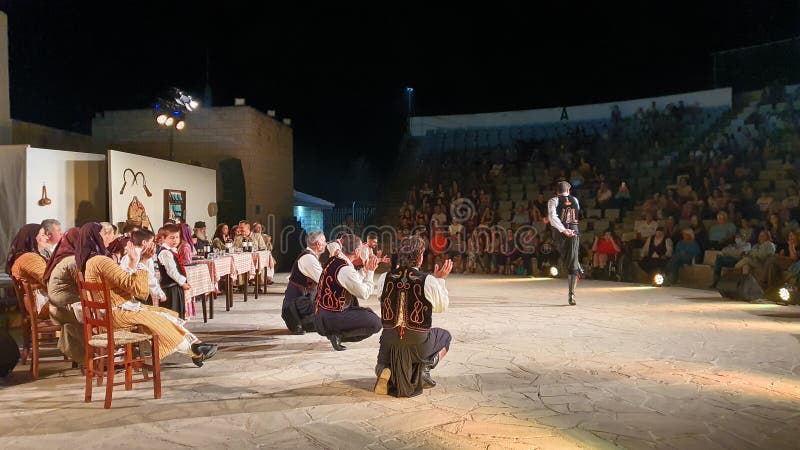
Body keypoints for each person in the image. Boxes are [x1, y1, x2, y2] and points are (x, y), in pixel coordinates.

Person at [77, 222, 218, 367]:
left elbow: (123, 281)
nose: (112, 237)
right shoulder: (100, 261)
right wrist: (142, 261)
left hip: (112, 311)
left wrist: (132, 261)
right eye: (107, 234)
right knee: (157, 319)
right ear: (97, 237)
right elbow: (133, 286)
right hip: (116, 313)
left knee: (162, 314)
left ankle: (197, 346)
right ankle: (194, 350)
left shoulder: (91, 260)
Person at [373, 236, 452, 397]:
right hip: (417, 342)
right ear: (420, 257)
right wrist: (440, 281)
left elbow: (382, 299)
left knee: (384, 359)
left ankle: (385, 369)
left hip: (389, 340)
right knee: (445, 336)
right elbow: (441, 307)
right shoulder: (428, 280)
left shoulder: (384, 278)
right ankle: (424, 369)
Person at [313, 234, 382, 351]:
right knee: (375, 323)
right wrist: (370, 272)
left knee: (366, 312)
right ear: (356, 251)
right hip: (330, 318)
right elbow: (364, 293)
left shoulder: (334, 259)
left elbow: (352, 280)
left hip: (320, 314)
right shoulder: (345, 269)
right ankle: (338, 335)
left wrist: (364, 271)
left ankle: (337, 333)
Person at [43, 227, 84, 363]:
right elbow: (85, 286)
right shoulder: (71, 260)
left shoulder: (61, 256)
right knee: (102, 314)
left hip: (56, 308)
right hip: (63, 310)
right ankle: (101, 357)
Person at [282, 231, 326, 334]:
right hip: (295, 311)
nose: (326, 244)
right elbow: (325, 281)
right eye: (324, 241)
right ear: (318, 244)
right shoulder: (308, 259)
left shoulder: (310, 256)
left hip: (300, 305)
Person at [547, 181, 582, 305]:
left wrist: (563, 229)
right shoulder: (575, 200)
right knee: (572, 263)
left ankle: (575, 265)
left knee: (571, 263)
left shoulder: (553, 200)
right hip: (573, 232)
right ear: (569, 190)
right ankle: (571, 293)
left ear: (557, 191)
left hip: (561, 234)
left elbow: (552, 217)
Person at [156, 224, 190, 319]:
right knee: (171, 314)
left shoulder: (172, 251)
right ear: (163, 238)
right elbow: (172, 271)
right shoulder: (165, 253)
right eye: (172, 238)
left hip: (175, 287)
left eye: (177, 237)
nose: (175, 240)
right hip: (170, 288)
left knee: (178, 313)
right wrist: (182, 283)